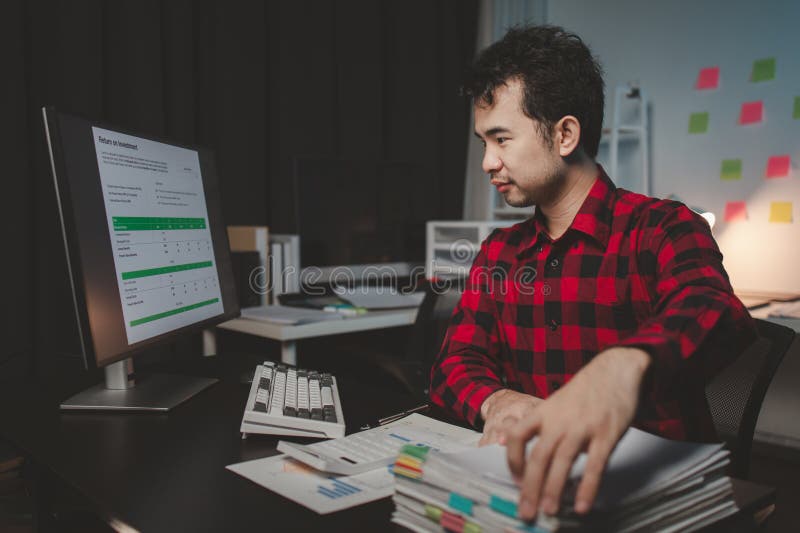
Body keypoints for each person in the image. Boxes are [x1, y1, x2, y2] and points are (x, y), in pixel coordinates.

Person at [428, 25, 756, 522]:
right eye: (483, 141)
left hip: (653, 508)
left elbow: (715, 309)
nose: (487, 162)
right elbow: (454, 360)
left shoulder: (663, 227)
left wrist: (624, 365)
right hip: (534, 502)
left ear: (564, 134)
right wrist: (495, 400)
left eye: (501, 139)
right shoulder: (499, 252)